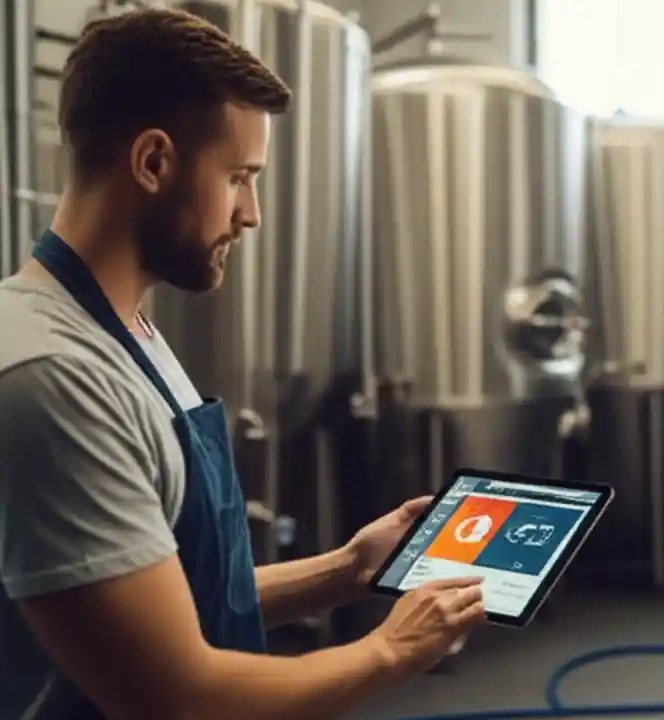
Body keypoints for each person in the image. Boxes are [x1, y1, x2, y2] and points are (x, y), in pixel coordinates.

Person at [0, 8, 484, 719]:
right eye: (238, 178)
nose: (251, 213)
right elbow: (179, 698)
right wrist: (394, 649)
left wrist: (348, 568)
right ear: (154, 162)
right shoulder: (54, 377)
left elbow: (163, 600)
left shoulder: (129, 333)